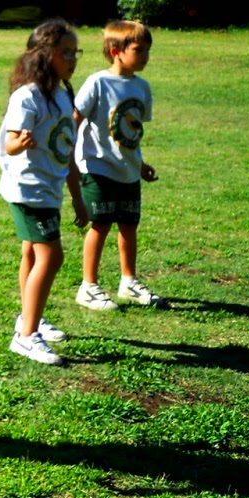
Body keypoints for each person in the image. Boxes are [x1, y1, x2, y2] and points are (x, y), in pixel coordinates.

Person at [0, 18, 89, 365]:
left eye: (75, 52)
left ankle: (28, 317)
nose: (73, 58)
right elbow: (9, 143)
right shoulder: (28, 96)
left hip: (48, 189)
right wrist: (19, 143)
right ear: (44, 55)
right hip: (28, 189)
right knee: (51, 256)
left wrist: (77, 195)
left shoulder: (63, 95)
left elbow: (66, 148)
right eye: (66, 52)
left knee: (33, 255)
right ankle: (26, 336)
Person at [73, 20, 164, 309]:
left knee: (128, 225)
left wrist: (139, 164)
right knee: (100, 224)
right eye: (139, 50)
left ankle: (129, 281)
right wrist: (66, 154)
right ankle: (88, 286)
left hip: (127, 171)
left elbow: (130, 133)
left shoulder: (142, 87)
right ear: (116, 51)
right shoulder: (98, 82)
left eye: (148, 50)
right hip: (97, 167)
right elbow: (75, 118)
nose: (146, 56)